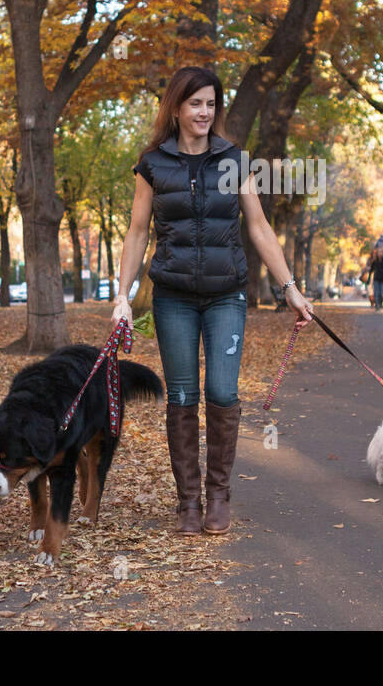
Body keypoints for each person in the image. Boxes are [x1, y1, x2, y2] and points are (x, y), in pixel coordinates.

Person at [113, 66, 312, 536]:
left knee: (222, 392)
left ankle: (218, 496)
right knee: (181, 396)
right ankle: (188, 502)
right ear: (177, 108)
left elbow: (259, 227)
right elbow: (138, 230)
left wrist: (289, 288)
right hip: (173, 298)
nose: (204, 112)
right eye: (195, 103)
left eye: (210, 104)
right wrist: (122, 296)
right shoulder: (153, 164)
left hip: (226, 296)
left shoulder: (234, 161)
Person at [362, 238, 383, 311]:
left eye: (381, 252)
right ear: (377, 253)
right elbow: (371, 270)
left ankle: (381, 305)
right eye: (378, 253)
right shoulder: (375, 261)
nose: (379, 254)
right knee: (376, 293)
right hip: (376, 279)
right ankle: (377, 306)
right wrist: (368, 279)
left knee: (382, 293)